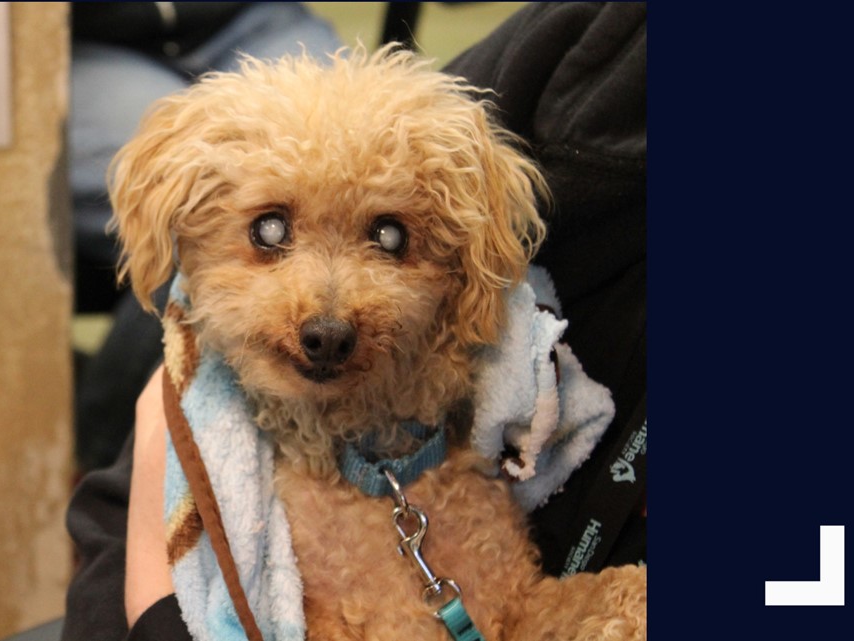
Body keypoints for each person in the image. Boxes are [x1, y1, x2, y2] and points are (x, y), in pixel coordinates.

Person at [64, 3, 646, 640]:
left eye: (389, 236)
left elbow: (515, 616)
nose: (329, 316)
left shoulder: (464, 473)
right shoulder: (244, 496)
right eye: (271, 232)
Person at [63, 5, 341, 641]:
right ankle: (112, 465)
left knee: (354, 153)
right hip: (76, 37)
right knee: (197, 186)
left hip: (248, 18)